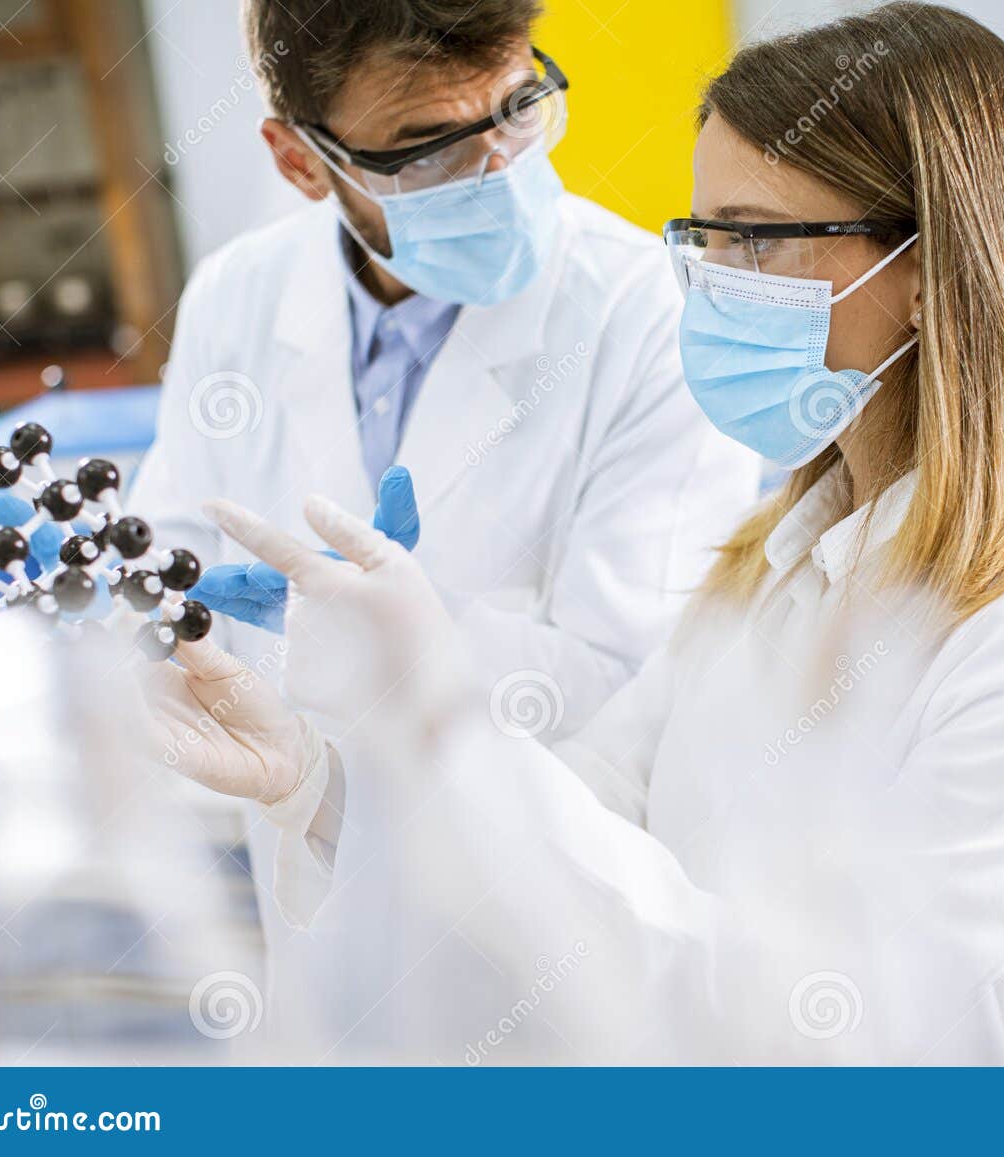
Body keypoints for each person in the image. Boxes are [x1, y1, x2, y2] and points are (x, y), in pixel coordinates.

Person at [145, 3, 1004, 1063]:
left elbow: (804, 1015)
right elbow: (586, 814)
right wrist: (323, 783)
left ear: (923, 271)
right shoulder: (769, 574)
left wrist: (433, 692)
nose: (706, 287)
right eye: (702, 237)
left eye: (752, 241)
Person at [126, 0, 759, 1018]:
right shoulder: (235, 297)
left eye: (519, 108)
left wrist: (408, 632)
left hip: (562, 956)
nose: (502, 168)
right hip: (325, 941)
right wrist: (130, 614)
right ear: (299, 162)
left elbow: (636, 691)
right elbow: (173, 566)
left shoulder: (650, 314)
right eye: (428, 153)